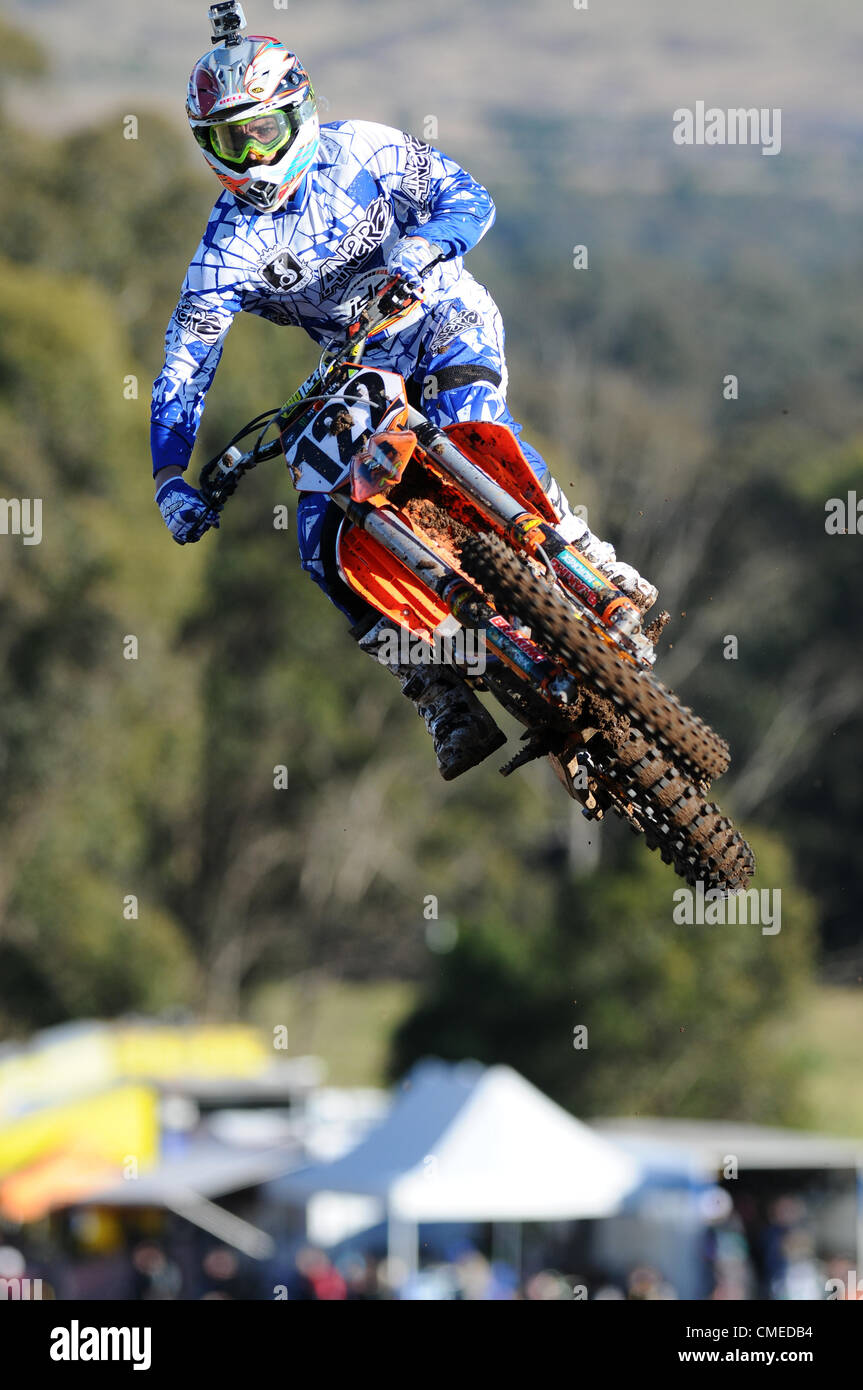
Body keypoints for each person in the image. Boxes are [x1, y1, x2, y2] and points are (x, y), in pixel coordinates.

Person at [152, 4, 657, 779]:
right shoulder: (224, 253)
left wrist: (417, 253)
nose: (247, 157)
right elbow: (186, 365)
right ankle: (436, 691)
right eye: (226, 141)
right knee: (319, 536)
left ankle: (583, 553)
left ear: (299, 110)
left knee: (469, 425)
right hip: (356, 364)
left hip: (441, 313)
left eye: (259, 132)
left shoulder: (368, 150)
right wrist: (169, 477)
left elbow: (471, 200)